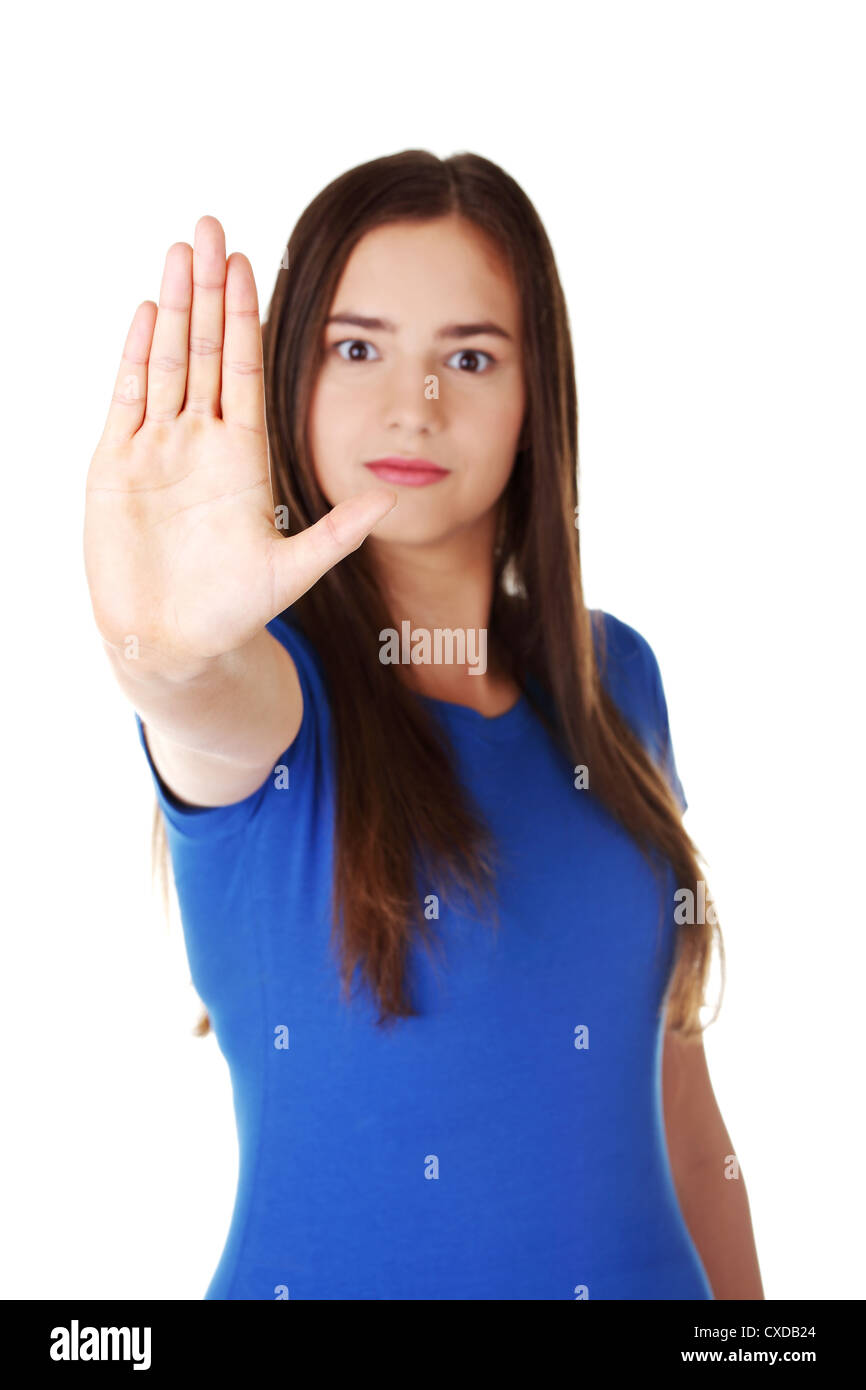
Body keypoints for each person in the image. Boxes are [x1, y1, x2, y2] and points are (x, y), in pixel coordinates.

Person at [83, 150, 763, 1300]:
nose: (415, 403)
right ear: (290, 374)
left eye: (469, 355)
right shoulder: (275, 698)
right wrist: (160, 642)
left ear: (532, 398)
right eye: (358, 348)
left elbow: (680, 1108)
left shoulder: (613, 674)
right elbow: (196, 698)